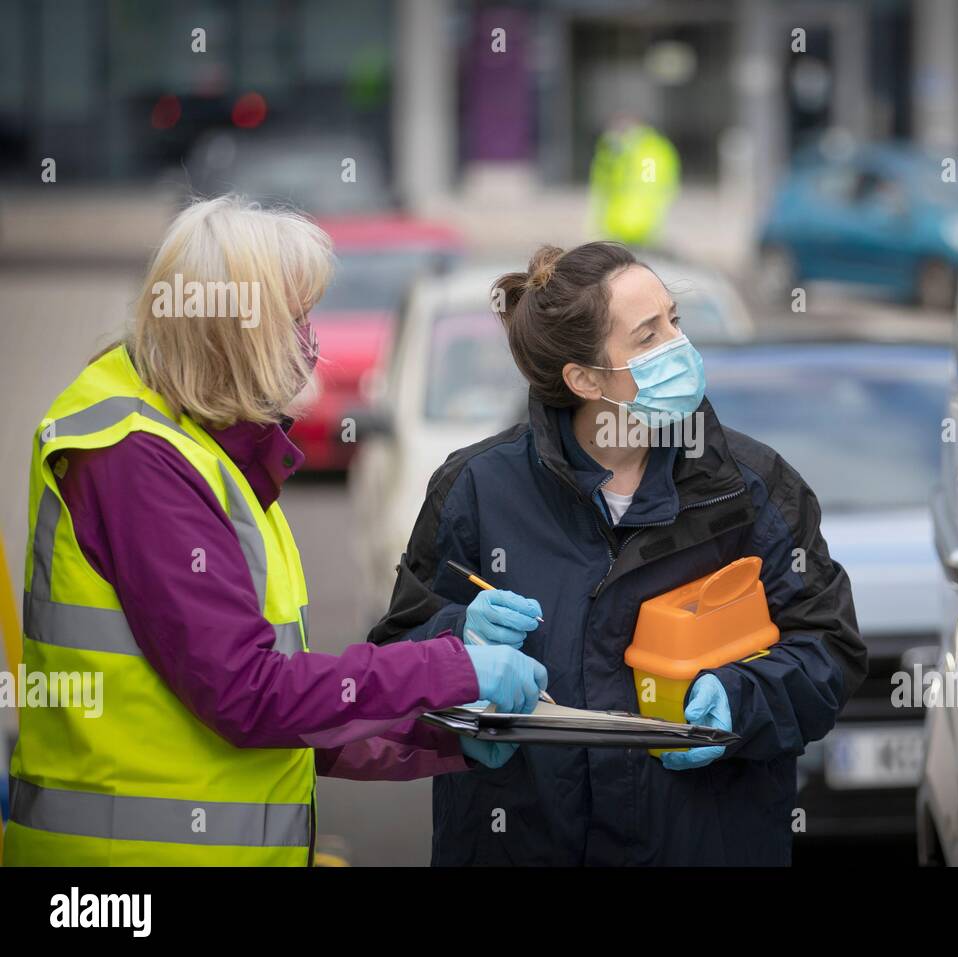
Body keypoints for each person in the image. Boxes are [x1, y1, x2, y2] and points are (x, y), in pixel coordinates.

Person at [3, 196, 546, 866]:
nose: (310, 340)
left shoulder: (200, 447)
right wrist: (451, 668)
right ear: (234, 336)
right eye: (296, 318)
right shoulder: (138, 461)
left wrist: (439, 736)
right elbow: (248, 692)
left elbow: (287, 709)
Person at [368, 242, 866, 865]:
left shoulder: (750, 486)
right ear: (583, 379)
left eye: (675, 321)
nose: (680, 347)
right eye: (648, 335)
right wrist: (455, 637)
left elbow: (830, 650)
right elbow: (390, 667)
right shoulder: (476, 490)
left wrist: (742, 699)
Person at [588, 115, 680, 247]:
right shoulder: (616, 149)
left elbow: (649, 186)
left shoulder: (649, 149)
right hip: (619, 225)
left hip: (638, 226)